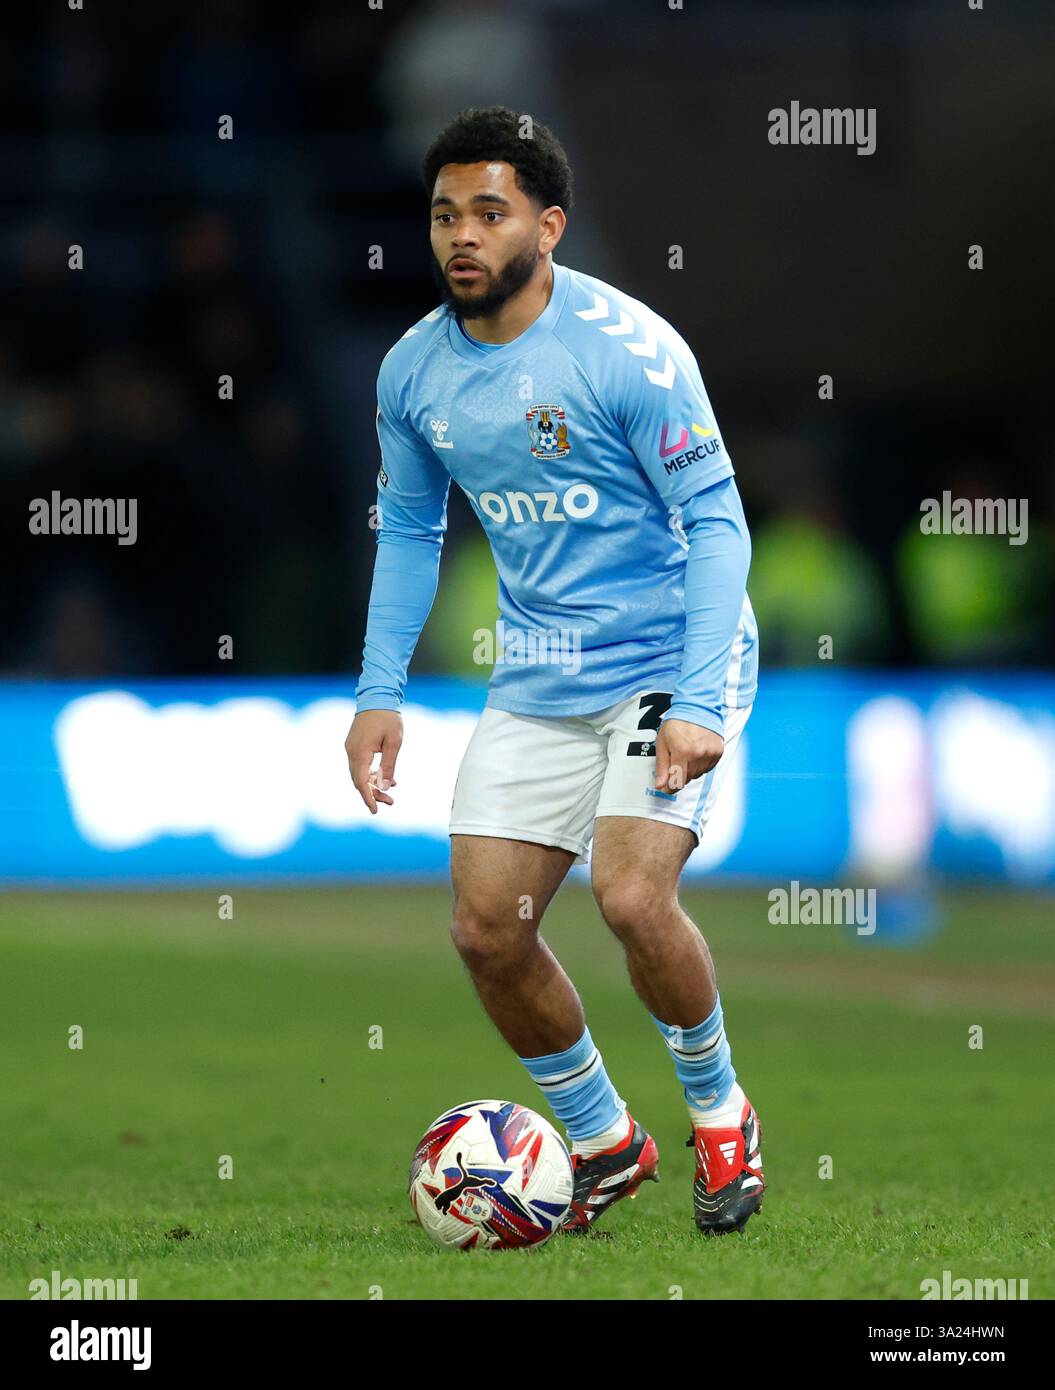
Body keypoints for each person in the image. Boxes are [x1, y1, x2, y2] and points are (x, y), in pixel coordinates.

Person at [346, 106, 763, 1235]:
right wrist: (378, 690)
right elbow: (410, 531)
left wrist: (693, 696)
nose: (460, 237)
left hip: (666, 654)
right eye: (443, 215)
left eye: (489, 212)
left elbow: (717, 522)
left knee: (631, 895)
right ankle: (602, 1142)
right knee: (487, 929)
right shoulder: (411, 373)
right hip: (537, 670)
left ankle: (720, 1120)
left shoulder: (627, 349)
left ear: (549, 225)